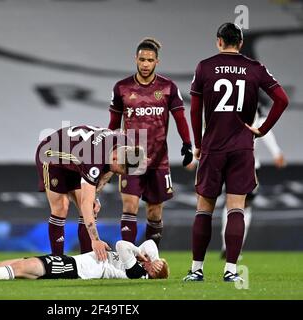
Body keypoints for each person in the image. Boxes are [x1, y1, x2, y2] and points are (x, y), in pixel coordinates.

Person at [184, 23, 289, 282]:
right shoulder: (255, 69)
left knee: (204, 208)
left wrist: (197, 143)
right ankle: (231, 271)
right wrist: (262, 129)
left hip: (213, 146)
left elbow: (195, 111)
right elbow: (282, 99)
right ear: (240, 43)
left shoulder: (204, 67)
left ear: (219, 41)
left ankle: (197, 270)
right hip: (242, 148)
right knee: (236, 208)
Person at [108, 37, 193, 247]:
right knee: (129, 206)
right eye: (142, 59)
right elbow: (113, 122)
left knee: (154, 211)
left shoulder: (168, 87)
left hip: (158, 157)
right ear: (135, 59)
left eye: (150, 60)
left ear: (157, 62)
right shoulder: (122, 88)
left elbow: (180, 117)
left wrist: (187, 144)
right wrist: (108, 149)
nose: (145, 64)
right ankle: (129, 261)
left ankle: (150, 259)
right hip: (132, 156)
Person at [35, 125, 146, 261]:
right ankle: (57, 259)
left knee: (91, 211)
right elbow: (85, 203)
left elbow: (108, 172)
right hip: (51, 156)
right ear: (116, 158)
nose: (118, 174)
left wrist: (95, 195)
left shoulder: (125, 145)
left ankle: (87, 261)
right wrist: (96, 240)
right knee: (61, 207)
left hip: (76, 159)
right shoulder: (95, 159)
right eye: (120, 170)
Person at [220, 106, 287, 258]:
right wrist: (276, 152)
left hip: (232, 163)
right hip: (246, 164)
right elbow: (264, 127)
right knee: (242, 205)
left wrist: (276, 152)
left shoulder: (228, 106)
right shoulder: (252, 105)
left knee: (233, 204)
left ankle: (228, 246)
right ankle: (233, 247)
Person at [0, 240, 169, 280]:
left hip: (74, 268)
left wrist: (141, 255)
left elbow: (121, 245)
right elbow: (151, 245)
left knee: (19, 268)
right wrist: (154, 258)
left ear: (151, 272)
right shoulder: (143, 260)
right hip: (71, 262)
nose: (153, 261)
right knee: (15, 263)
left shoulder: (135, 271)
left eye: (155, 265)